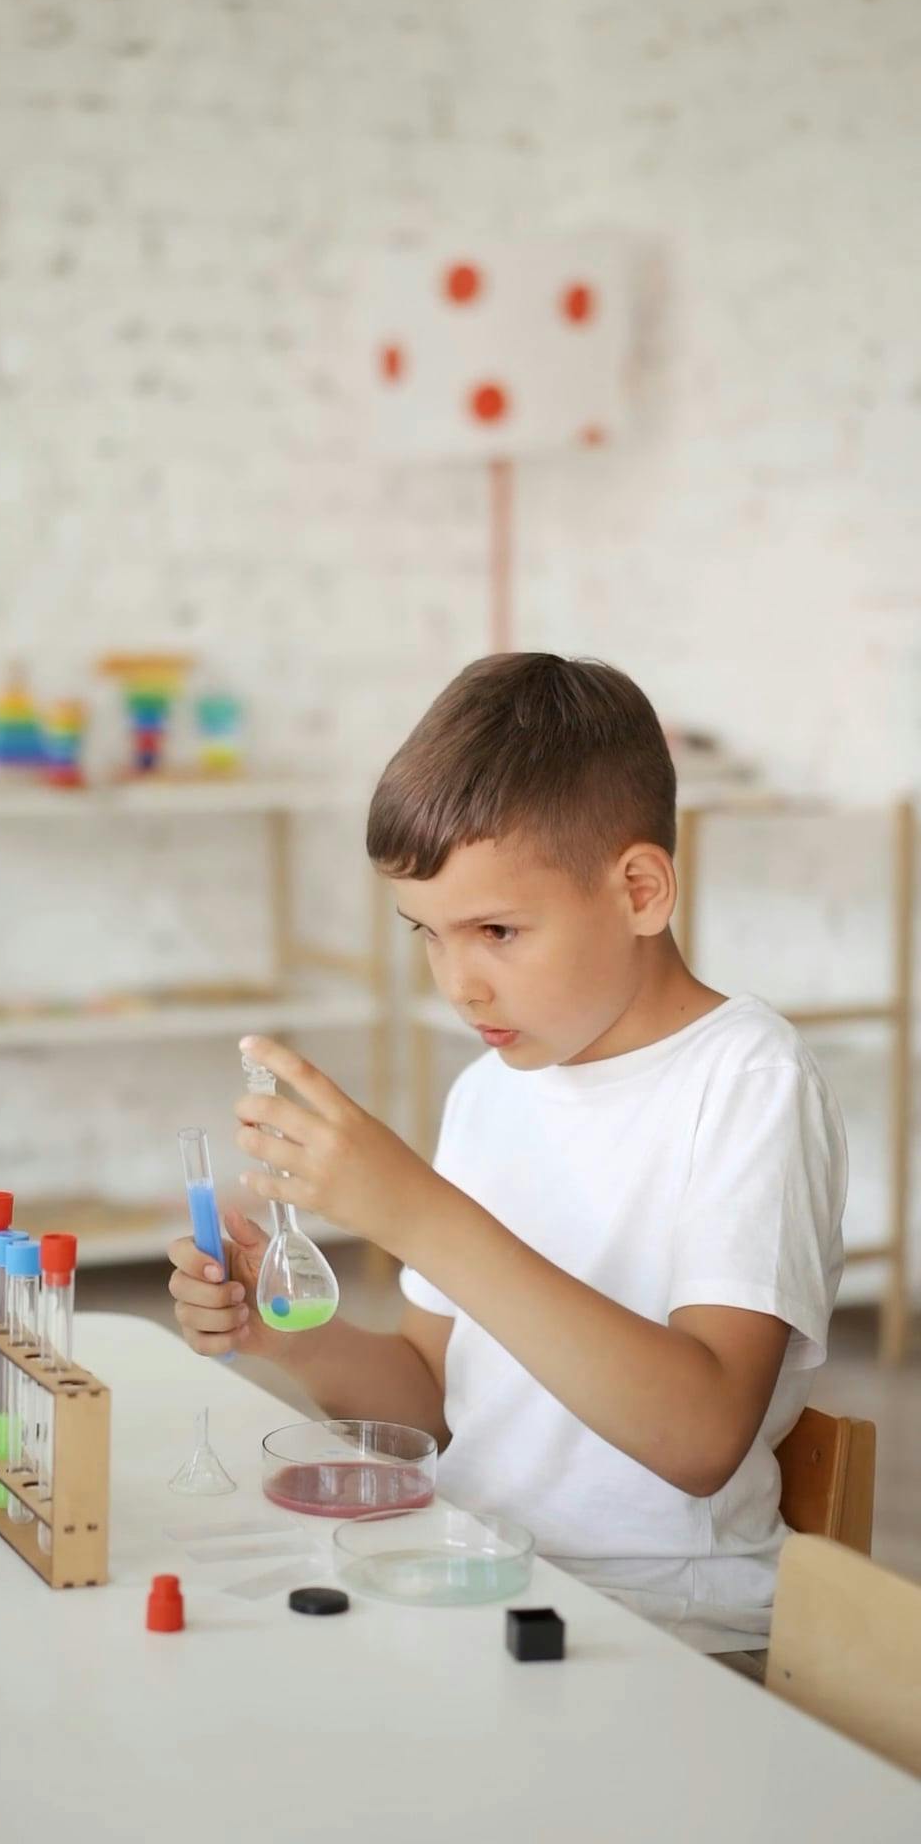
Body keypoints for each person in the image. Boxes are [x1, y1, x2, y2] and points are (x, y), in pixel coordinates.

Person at [168, 653, 846, 1659]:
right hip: (474, 1577)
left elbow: (702, 1438)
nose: (460, 985)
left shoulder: (748, 1079)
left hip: (672, 1635)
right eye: (429, 935)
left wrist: (416, 1212)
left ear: (640, 890)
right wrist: (290, 1337)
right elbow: (438, 1408)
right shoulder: (489, 1093)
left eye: (496, 930)